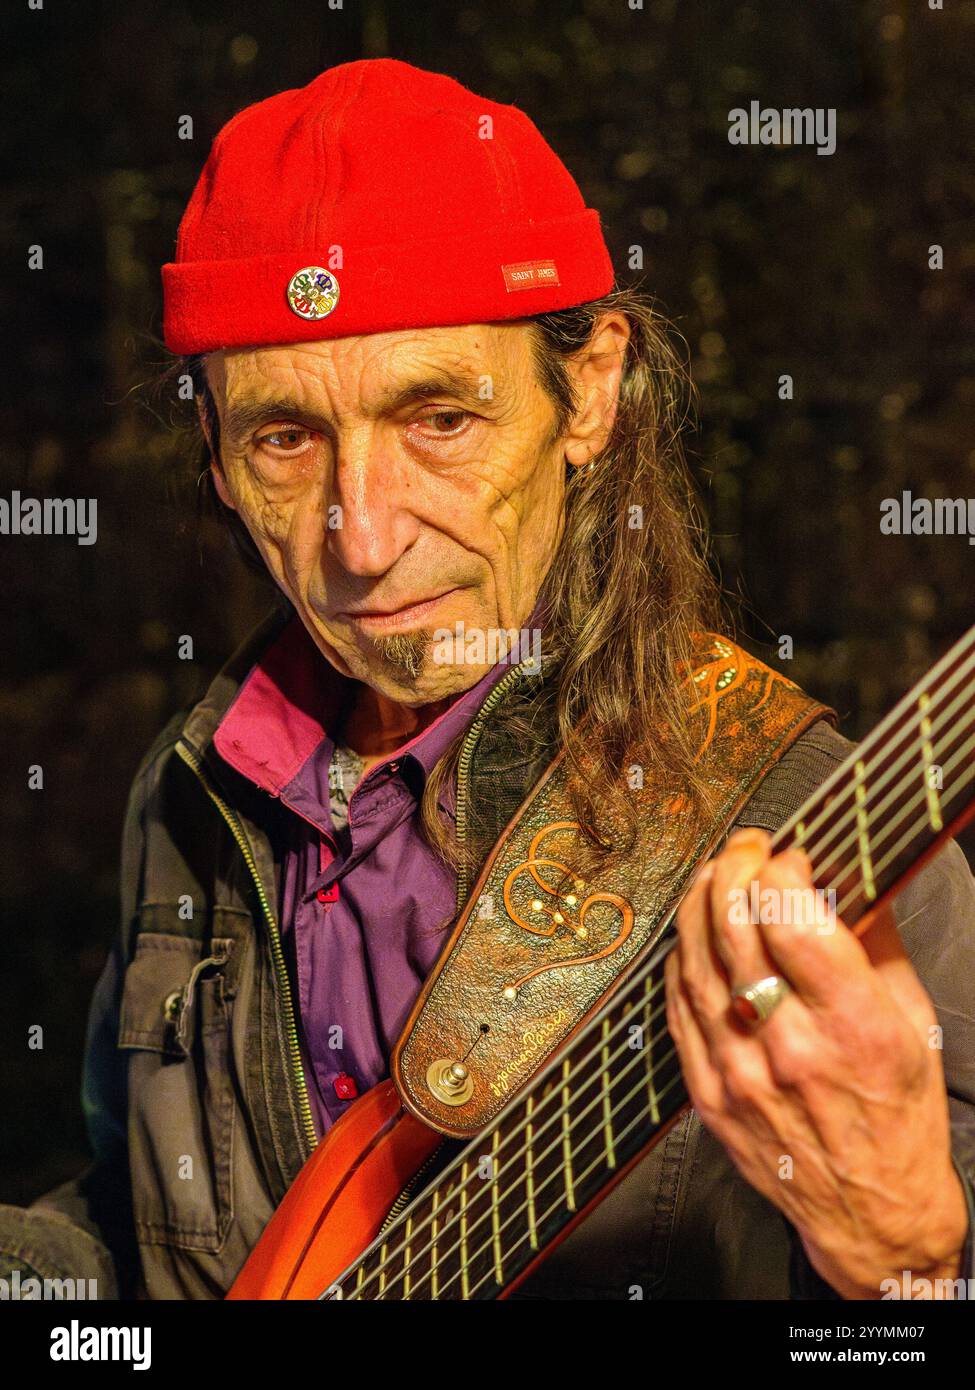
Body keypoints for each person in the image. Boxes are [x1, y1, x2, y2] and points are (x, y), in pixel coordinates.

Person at [2, 58, 973, 1301]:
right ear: (214, 451)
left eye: (439, 421)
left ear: (591, 390)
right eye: (286, 441)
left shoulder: (809, 827)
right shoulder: (194, 792)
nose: (362, 536)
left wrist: (911, 1263)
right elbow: (150, 1227)